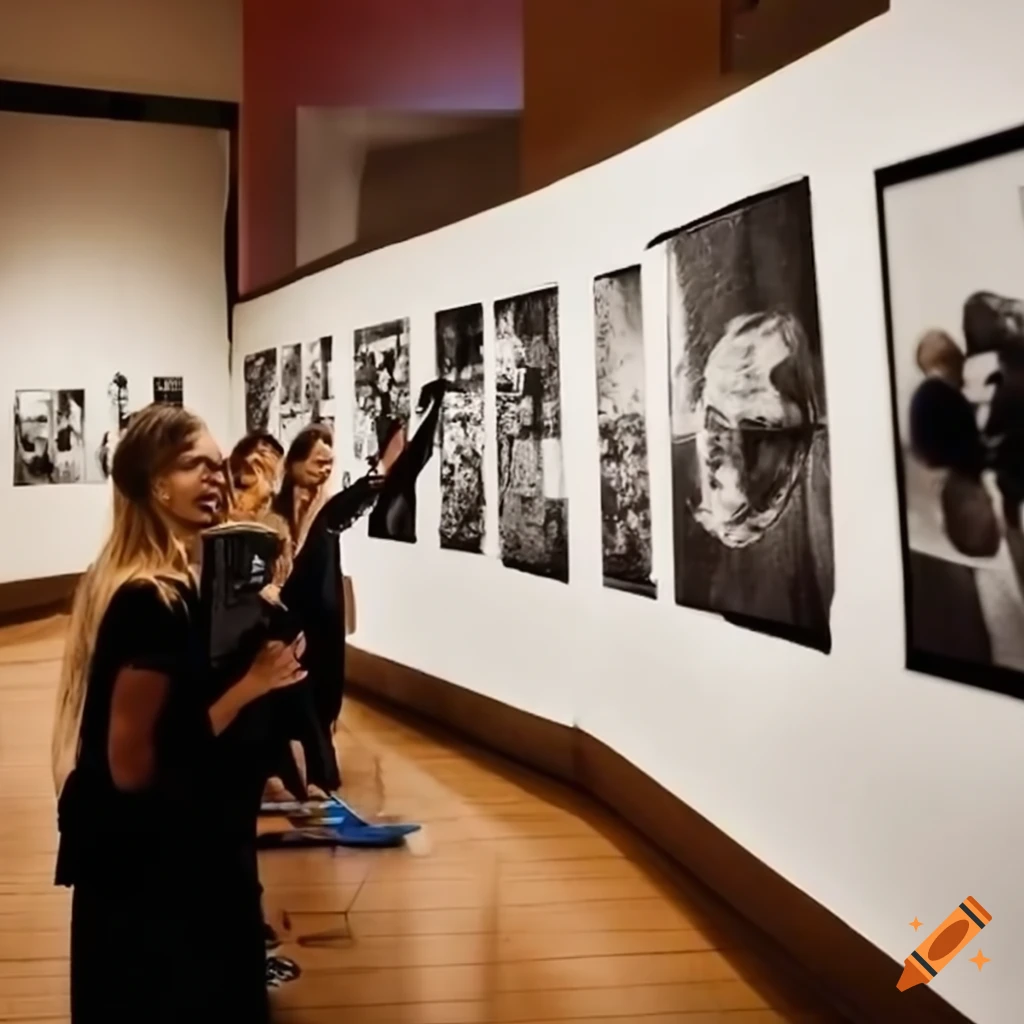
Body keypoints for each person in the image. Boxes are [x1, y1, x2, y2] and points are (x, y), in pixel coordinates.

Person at [52, 403, 306, 1023]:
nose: (218, 479)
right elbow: (134, 766)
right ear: (157, 482)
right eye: (197, 466)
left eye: (220, 466)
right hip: (155, 878)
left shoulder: (169, 583)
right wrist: (250, 684)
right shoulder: (147, 600)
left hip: (175, 860)